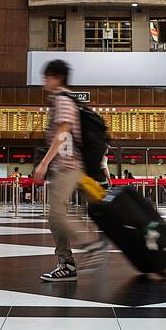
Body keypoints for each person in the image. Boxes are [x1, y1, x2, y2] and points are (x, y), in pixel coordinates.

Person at [33, 59, 105, 282]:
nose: (44, 81)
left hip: (68, 165)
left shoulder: (63, 100)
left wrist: (44, 163)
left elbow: (63, 133)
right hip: (63, 167)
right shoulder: (59, 100)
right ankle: (66, 264)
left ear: (58, 78)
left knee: (56, 214)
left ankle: (92, 244)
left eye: (47, 77)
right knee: (55, 218)